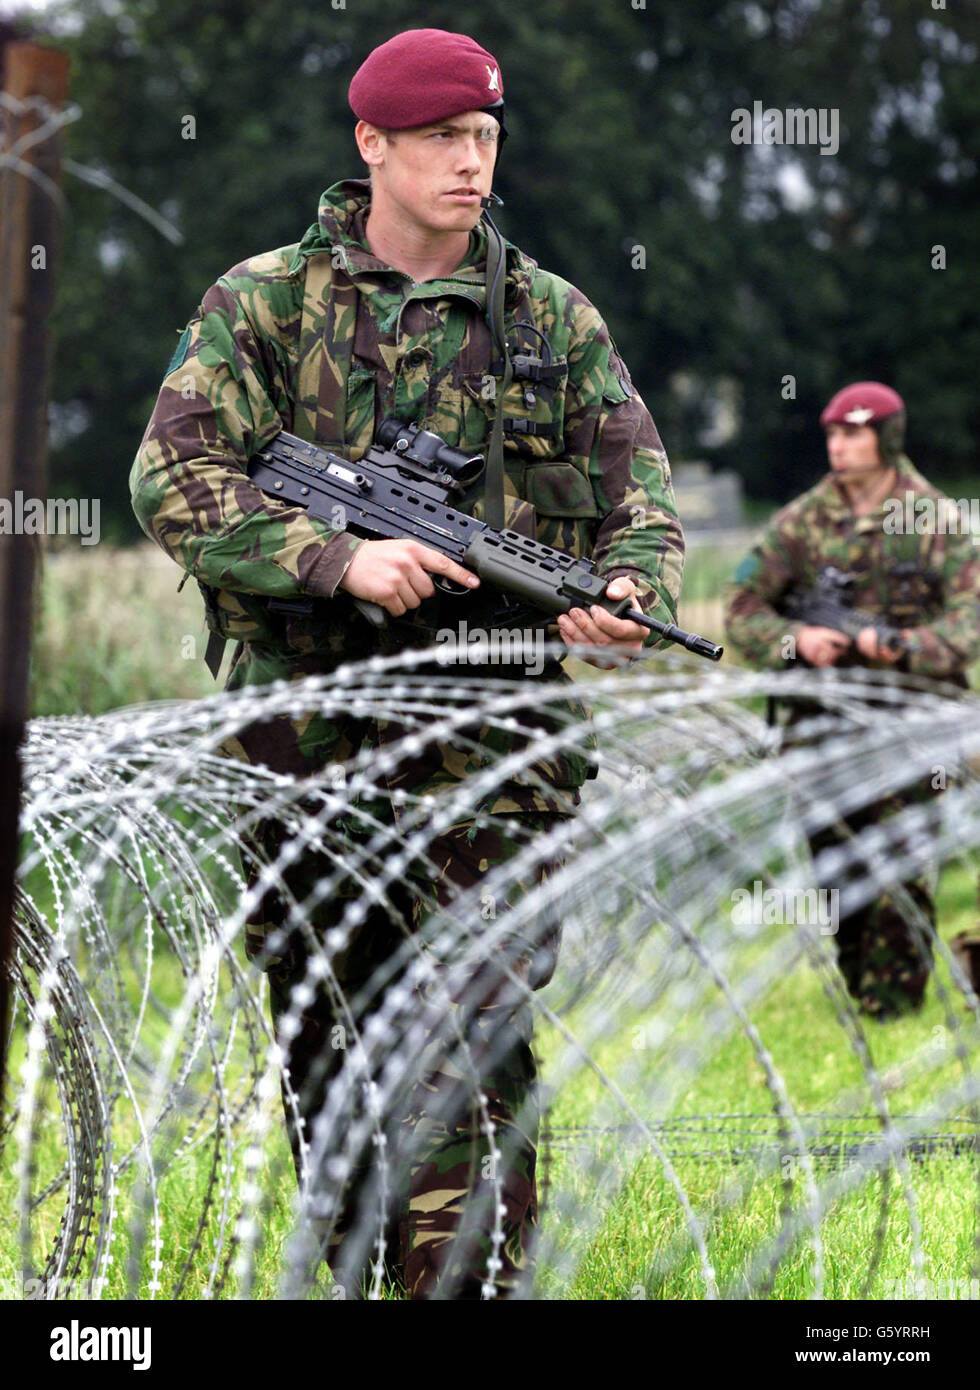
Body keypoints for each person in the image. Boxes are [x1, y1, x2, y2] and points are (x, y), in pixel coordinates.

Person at [130, 29, 683, 1297]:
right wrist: (334, 559)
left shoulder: (548, 317)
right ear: (371, 144)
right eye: (441, 138)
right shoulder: (262, 302)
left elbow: (635, 492)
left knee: (467, 1047)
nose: (470, 162)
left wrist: (628, 589)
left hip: (492, 748)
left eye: (485, 137)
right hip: (306, 739)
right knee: (327, 1045)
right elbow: (171, 474)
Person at [725, 381, 980, 1019]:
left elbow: (970, 620)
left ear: (887, 438)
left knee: (900, 861)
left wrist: (902, 645)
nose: (838, 446)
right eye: (832, 434)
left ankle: (891, 1003)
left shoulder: (936, 521)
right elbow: (743, 608)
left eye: (853, 433)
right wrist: (797, 638)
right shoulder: (800, 523)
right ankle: (862, 983)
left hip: (913, 724)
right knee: (837, 867)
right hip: (822, 723)